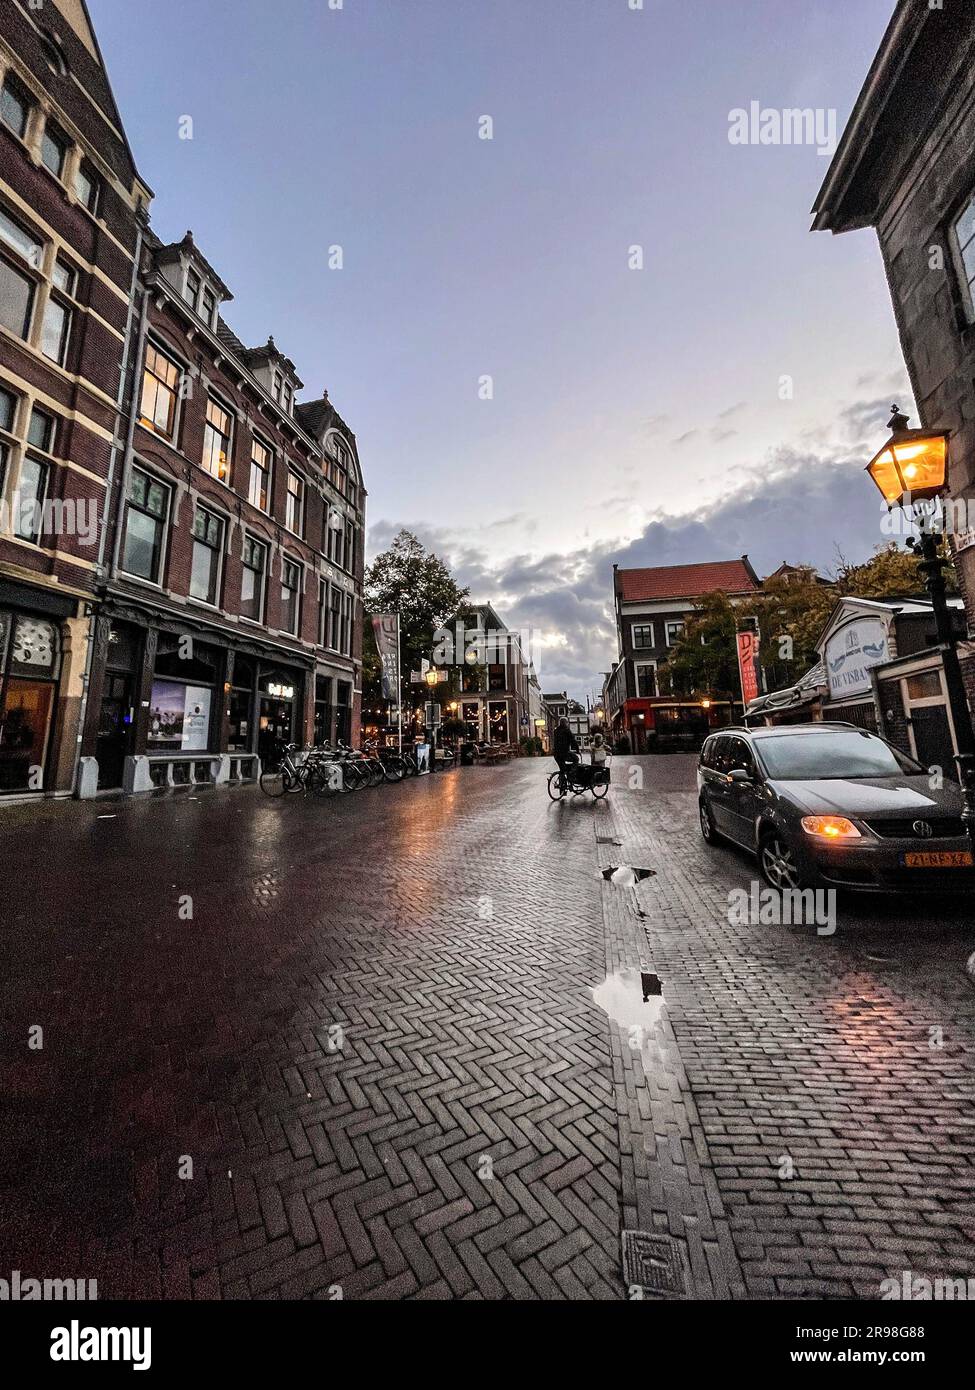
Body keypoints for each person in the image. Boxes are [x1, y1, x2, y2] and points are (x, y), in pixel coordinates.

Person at [552, 716, 579, 792]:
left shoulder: (556, 731)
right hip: (564, 753)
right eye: (567, 722)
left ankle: (562, 788)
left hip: (556, 754)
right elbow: (572, 740)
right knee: (576, 759)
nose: (568, 724)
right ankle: (571, 774)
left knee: (562, 770)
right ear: (565, 723)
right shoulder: (567, 730)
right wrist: (577, 750)